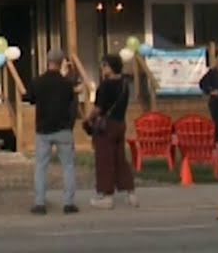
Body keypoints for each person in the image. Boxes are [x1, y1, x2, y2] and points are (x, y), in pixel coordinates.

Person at [23, 49, 78, 214]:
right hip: (63, 128)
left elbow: (29, 98)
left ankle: (40, 203)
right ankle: (68, 203)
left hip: (43, 129)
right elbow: (71, 102)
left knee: (41, 166)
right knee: (68, 166)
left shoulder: (38, 82)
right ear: (61, 62)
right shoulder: (67, 84)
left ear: (47, 61)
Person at [86, 53, 136, 209]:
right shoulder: (125, 85)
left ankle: (107, 196)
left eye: (104, 65)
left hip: (106, 126)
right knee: (120, 159)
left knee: (105, 160)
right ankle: (130, 193)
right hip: (120, 123)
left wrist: (87, 118)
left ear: (111, 67)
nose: (102, 68)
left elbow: (98, 108)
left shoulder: (106, 85)